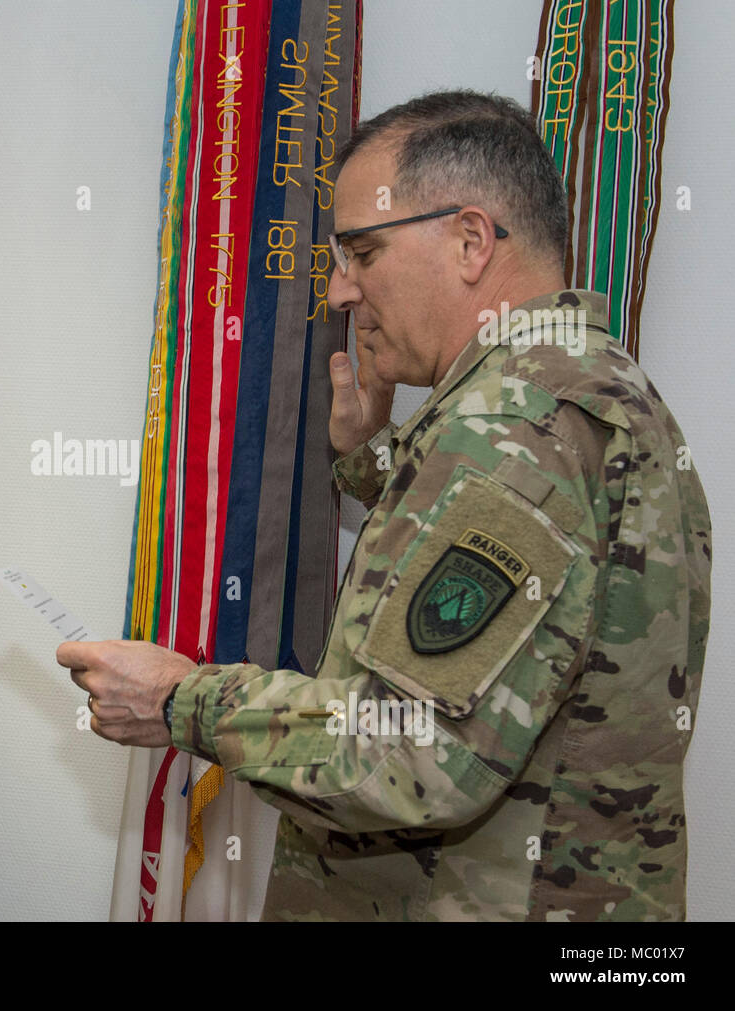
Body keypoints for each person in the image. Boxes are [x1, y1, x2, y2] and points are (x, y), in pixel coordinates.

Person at [58, 91, 711, 921]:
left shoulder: (514, 422)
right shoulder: (598, 390)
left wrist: (180, 700)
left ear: (471, 240)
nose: (339, 291)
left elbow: (414, 754)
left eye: (362, 252)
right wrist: (372, 458)